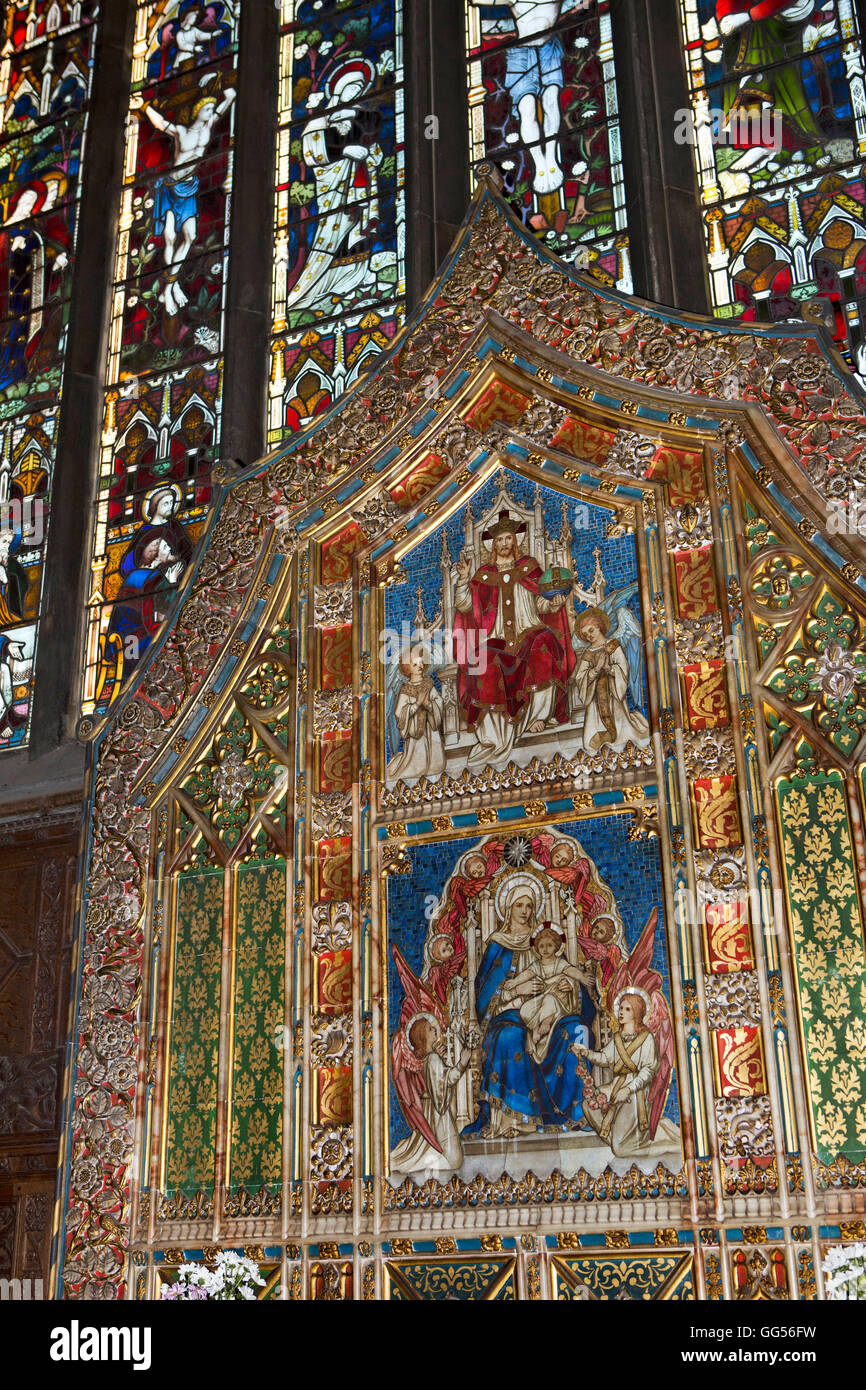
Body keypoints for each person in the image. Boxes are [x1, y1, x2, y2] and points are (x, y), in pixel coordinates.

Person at [462, 877, 596, 1139]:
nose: (525, 911)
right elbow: (483, 993)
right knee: (510, 1038)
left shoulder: (544, 941)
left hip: (551, 1011)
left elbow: (567, 973)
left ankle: (578, 1114)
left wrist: (571, 987)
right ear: (507, 909)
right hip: (510, 1014)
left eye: (529, 905)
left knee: (577, 1030)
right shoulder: (498, 945)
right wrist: (514, 990)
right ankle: (513, 1120)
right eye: (519, 905)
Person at [453, 510, 575, 766]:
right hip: (496, 638)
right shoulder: (484, 576)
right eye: (500, 540)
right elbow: (465, 606)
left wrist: (555, 604)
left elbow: (541, 602)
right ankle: (493, 737)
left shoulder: (529, 568)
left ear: (516, 542)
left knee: (544, 644)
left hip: (528, 630)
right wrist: (464, 580)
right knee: (482, 663)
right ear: (493, 546)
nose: (505, 544)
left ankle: (537, 717)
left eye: (509, 539)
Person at [285, 61, 391, 316]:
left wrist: (370, 157)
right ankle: (319, 289)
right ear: (338, 91)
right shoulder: (323, 118)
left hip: (361, 184)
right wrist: (343, 150)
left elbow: (374, 148)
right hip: (333, 187)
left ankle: (354, 279)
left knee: (359, 230)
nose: (354, 92)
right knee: (334, 231)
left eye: (359, 88)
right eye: (349, 87)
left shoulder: (364, 118)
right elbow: (310, 150)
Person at [132, 83, 236, 315]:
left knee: (189, 236)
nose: (210, 113)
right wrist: (145, 106)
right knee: (169, 238)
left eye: (211, 109)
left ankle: (169, 285)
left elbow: (222, 109)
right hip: (170, 188)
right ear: (197, 112)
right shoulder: (182, 131)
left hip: (189, 189)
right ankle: (168, 291)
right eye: (206, 109)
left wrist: (230, 97)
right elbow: (161, 124)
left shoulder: (207, 129)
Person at [571, 987, 679, 1158]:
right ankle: (620, 1138)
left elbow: (648, 1070)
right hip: (617, 1085)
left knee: (620, 1150)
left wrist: (628, 1089)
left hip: (636, 1094)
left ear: (636, 1012)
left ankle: (663, 1140)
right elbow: (605, 1058)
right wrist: (585, 1052)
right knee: (588, 1104)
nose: (621, 1012)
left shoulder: (646, 1039)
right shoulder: (618, 1038)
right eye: (621, 1008)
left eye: (627, 1009)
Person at [390, 1014, 476, 1175]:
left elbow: (440, 1079)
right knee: (453, 1160)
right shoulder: (433, 1059)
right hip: (437, 1115)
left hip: (431, 1110)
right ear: (423, 1036)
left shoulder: (430, 1059)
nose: (436, 1030)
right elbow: (447, 1081)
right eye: (430, 1029)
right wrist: (463, 1062)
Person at [500, 923, 595, 1064]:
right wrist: (515, 983)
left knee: (550, 999)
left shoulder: (560, 963)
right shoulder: (537, 965)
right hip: (541, 1000)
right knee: (525, 1009)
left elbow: (571, 971)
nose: (545, 949)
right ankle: (536, 1028)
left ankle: (546, 1022)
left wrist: (582, 977)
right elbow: (526, 974)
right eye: (542, 945)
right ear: (537, 947)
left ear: (556, 946)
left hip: (558, 1002)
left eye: (549, 945)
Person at [574, 608, 650, 752]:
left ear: (598, 626)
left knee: (620, 725)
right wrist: (595, 670)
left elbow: (623, 667)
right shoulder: (588, 653)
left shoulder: (613, 645)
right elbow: (580, 676)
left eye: (591, 630)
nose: (589, 636)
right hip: (596, 696)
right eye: (585, 634)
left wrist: (609, 668)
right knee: (591, 738)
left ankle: (619, 738)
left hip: (613, 692)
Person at [386, 646, 445, 783]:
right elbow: (398, 712)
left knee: (435, 765)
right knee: (415, 764)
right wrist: (416, 705)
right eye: (415, 664)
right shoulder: (406, 689)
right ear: (408, 669)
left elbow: (439, 702)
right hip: (415, 735)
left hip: (430, 730)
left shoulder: (428, 684)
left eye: (421, 663)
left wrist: (429, 705)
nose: (420, 666)